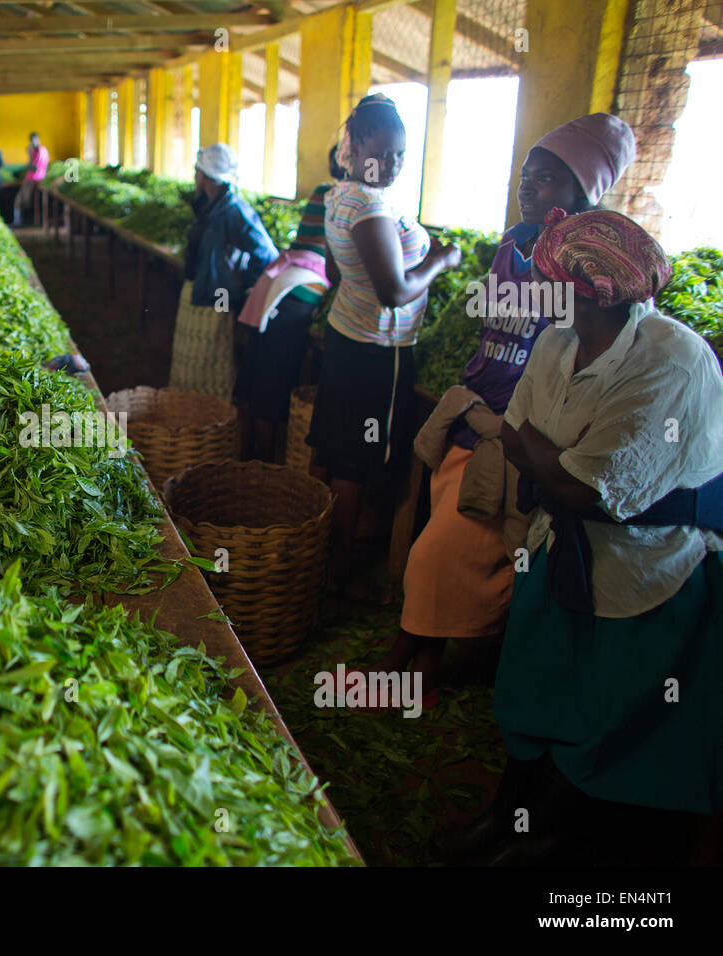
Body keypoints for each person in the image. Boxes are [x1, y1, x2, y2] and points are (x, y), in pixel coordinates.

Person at [438, 209, 723, 865]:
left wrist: (549, 457)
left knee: (616, 718)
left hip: (646, 572)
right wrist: (552, 459)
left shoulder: (672, 362)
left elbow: (589, 493)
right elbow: (513, 437)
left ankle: (570, 845)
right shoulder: (556, 342)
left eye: (546, 282)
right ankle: (512, 826)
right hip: (559, 547)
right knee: (537, 693)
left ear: (586, 291)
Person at [371, 113, 636, 698]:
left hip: (516, 432)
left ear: (580, 198)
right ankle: (421, 657)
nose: (527, 187)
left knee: (446, 551)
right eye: (526, 176)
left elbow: (578, 360)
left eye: (545, 180)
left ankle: (412, 656)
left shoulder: (583, 274)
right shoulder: (507, 247)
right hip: (473, 418)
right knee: (441, 542)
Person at [306, 93, 461, 602]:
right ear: (356, 145)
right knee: (355, 463)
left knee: (333, 451)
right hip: (379, 348)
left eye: (400, 155)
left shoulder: (339, 194)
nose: (391, 164)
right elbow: (395, 292)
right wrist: (441, 259)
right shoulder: (371, 206)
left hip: (347, 335)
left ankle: (315, 554)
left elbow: (334, 272)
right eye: (382, 153)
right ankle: (341, 575)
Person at [233, 146, 345, 461]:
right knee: (273, 381)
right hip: (299, 290)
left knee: (254, 371)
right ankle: (262, 464)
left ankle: (242, 454)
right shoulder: (351, 201)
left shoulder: (321, 191)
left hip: (275, 283)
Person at [168, 144, 278, 401]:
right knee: (189, 366)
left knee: (208, 368)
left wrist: (242, 283)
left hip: (214, 300)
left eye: (197, 170)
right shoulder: (208, 205)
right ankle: (188, 415)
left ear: (207, 175)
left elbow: (265, 251)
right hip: (196, 293)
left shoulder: (233, 210)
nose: (194, 175)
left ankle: (212, 421)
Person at [14, 132, 49, 226]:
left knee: (23, 199)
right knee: (20, 198)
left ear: (38, 139)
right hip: (31, 176)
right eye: (31, 140)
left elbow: (34, 167)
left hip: (35, 177)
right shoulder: (35, 151)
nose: (32, 142)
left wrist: (29, 154)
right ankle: (18, 221)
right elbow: (29, 166)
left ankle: (20, 222)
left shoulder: (41, 150)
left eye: (34, 140)